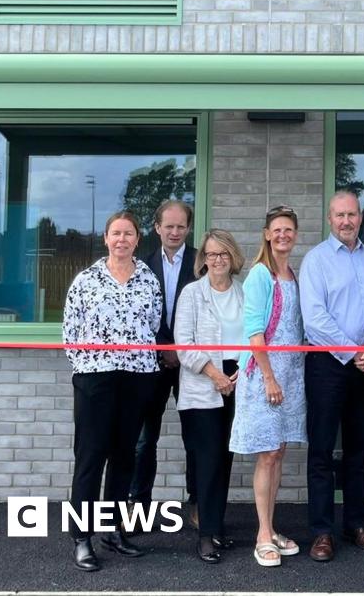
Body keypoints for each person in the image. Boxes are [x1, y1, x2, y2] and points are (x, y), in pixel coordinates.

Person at [62, 210, 162, 572]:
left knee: (124, 456)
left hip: (136, 375)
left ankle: (113, 530)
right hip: (95, 377)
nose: (122, 239)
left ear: (137, 240)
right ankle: (81, 537)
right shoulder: (86, 280)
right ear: (105, 238)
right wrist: (87, 367)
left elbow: (152, 324)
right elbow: (70, 332)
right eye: (116, 233)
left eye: (129, 234)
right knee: (90, 457)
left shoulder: (148, 279)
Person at [300, 190, 364, 561]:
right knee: (321, 451)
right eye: (339, 215)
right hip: (327, 366)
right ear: (329, 219)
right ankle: (321, 531)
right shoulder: (315, 261)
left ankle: (356, 524)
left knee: (359, 450)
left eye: (352, 214)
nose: (347, 221)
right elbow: (315, 319)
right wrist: (354, 352)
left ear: (360, 217)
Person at [228, 206, 307, 567]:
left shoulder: (292, 273)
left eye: (288, 230)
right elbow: (254, 333)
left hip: (290, 376)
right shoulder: (260, 275)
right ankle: (262, 534)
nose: (283, 235)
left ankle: (272, 527)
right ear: (266, 234)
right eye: (277, 230)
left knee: (278, 453)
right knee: (265, 454)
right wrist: (270, 378)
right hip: (264, 377)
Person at [173, 229, 246, 564]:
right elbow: (183, 344)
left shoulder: (243, 293)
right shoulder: (192, 294)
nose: (217, 260)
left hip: (237, 381)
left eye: (223, 254)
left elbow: (253, 337)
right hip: (203, 386)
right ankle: (204, 536)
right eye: (212, 254)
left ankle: (217, 529)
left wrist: (239, 371)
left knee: (225, 460)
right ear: (204, 258)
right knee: (207, 459)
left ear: (232, 258)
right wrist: (215, 374)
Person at [131, 200, 199, 526]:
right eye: (168, 226)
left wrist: (181, 349)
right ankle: (138, 507)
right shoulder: (140, 266)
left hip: (192, 364)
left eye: (180, 226)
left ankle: (198, 505)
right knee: (144, 440)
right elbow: (139, 318)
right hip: (152, 363)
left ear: (188, 228)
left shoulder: (202, 262)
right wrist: (164, 347)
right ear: (157, 227)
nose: (174, 232)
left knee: (196, 438)